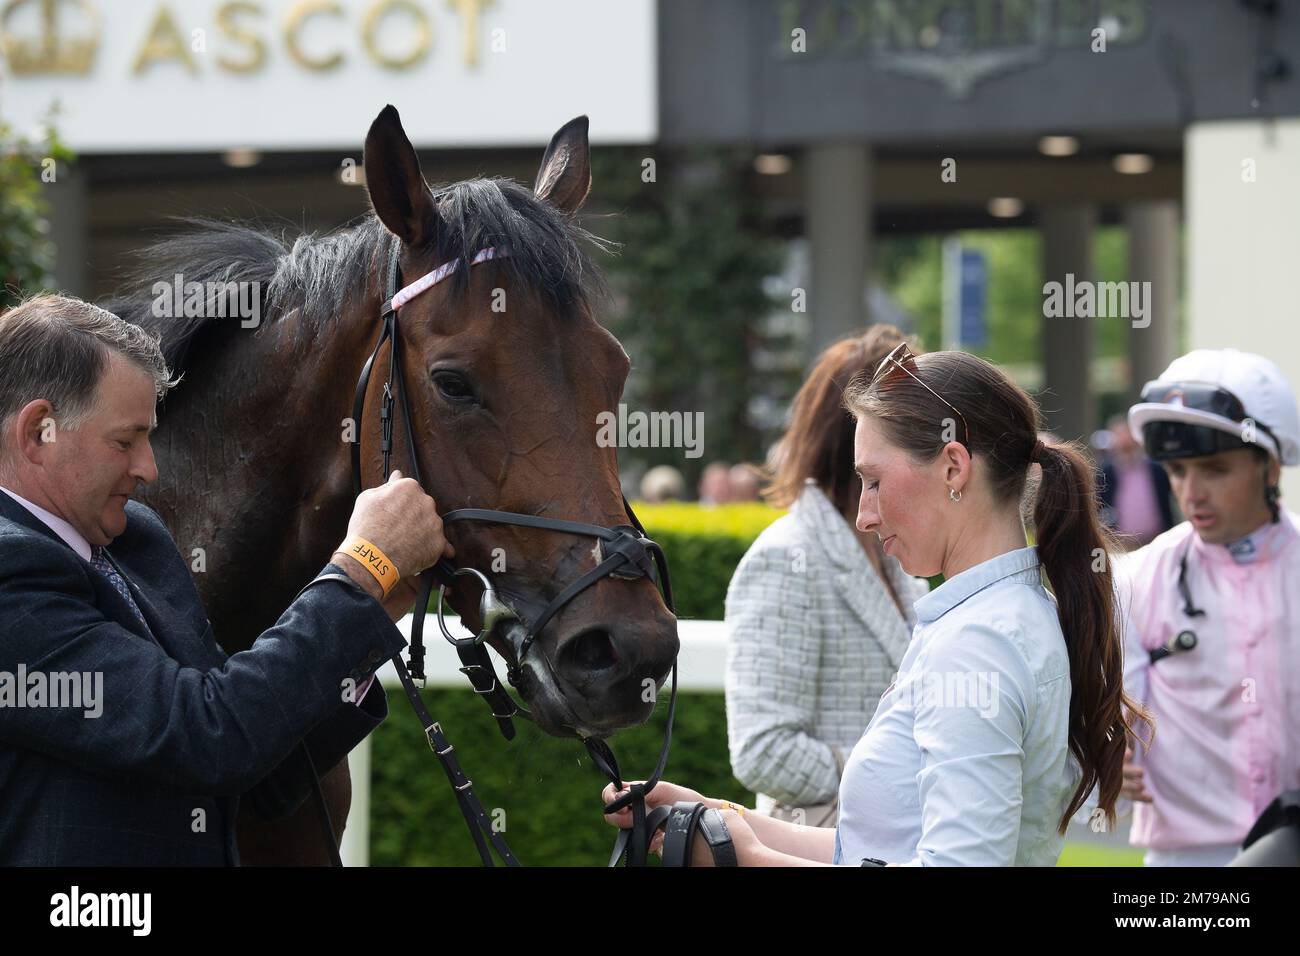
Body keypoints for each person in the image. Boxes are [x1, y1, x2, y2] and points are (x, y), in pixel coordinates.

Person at [602, 346, 1148, 865]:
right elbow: (872, 849)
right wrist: (718, 818)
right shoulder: (992, 616)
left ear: (954, 468)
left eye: (874, 481)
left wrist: (742, 856)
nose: (864, 514)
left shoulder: (980, 642)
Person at [0, 294, 452, 865]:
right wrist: (361, 571)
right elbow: (207, 735)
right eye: (125, 440)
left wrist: (371, 615)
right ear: (39, 431)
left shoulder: (134, 539)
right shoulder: (9, 572)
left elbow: (255, 775)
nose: (148, 468)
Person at [724, 325, 926, 828]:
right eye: (916, 432)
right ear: (857, 439)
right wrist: (903, 775)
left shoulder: (899, 555)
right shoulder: (784, 559)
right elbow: (762, 750)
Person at [1113, 348, 1300, 866]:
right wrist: (1108, 756)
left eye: (1214, 469)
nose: (1190, 493)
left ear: (1271, 465)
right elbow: (1110, 721)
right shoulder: (1136, 578)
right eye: (1176, 470)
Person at [1098, 414, 1174, 548]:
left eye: (1128, 437)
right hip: (1120, 545)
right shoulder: (1105, 472)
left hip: (1157, 541)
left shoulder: (1156, 469)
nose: (1125, 443)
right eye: (1121, 439)